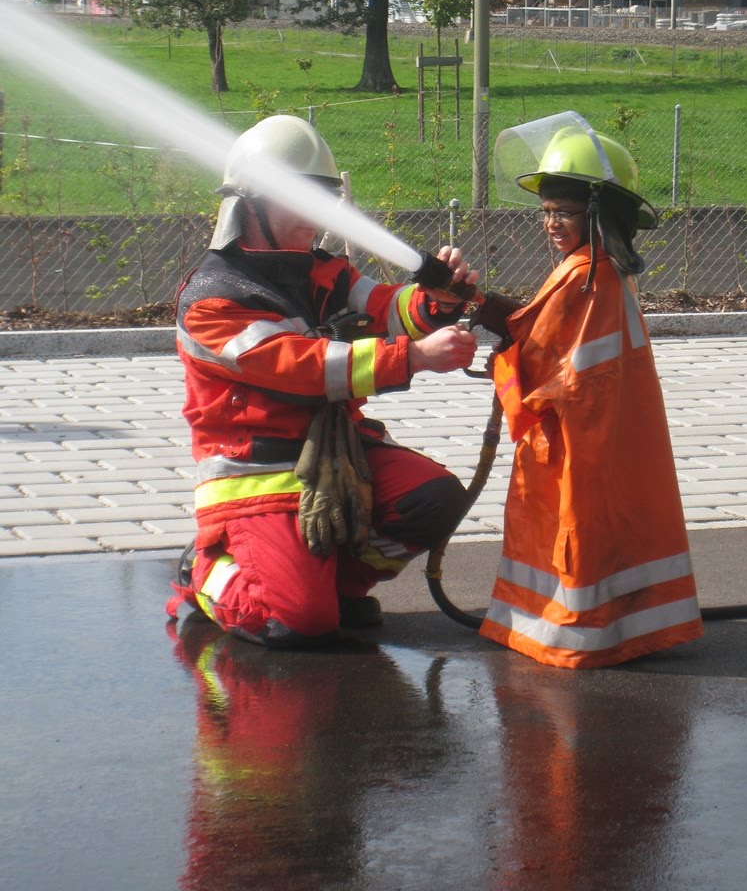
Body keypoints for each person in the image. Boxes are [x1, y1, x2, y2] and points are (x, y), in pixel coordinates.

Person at [166, 114, 478, 648]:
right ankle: (201, 574)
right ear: (253, 203)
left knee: (435, 498)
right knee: (297, 623)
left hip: (336, 452)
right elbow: (297, 366)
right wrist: (415, 358)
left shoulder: (322, 269)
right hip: (256, 476)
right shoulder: (213, 297)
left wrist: (435, 302)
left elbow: (385, 307)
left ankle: (339, 586)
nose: (319, 211)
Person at [480, 111, 704, 668]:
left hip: (576, 442)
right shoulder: (600, 271)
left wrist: (495, 356)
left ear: (599, 214)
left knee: (576, 535)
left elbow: (537, 364)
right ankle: (626, 625)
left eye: (565, 212)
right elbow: (544, 328)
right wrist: (481, 304)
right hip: (609, 441)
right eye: (547, 211)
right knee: (612, 528)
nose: (551, 222)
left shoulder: (587, 275)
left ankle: (577, 634)